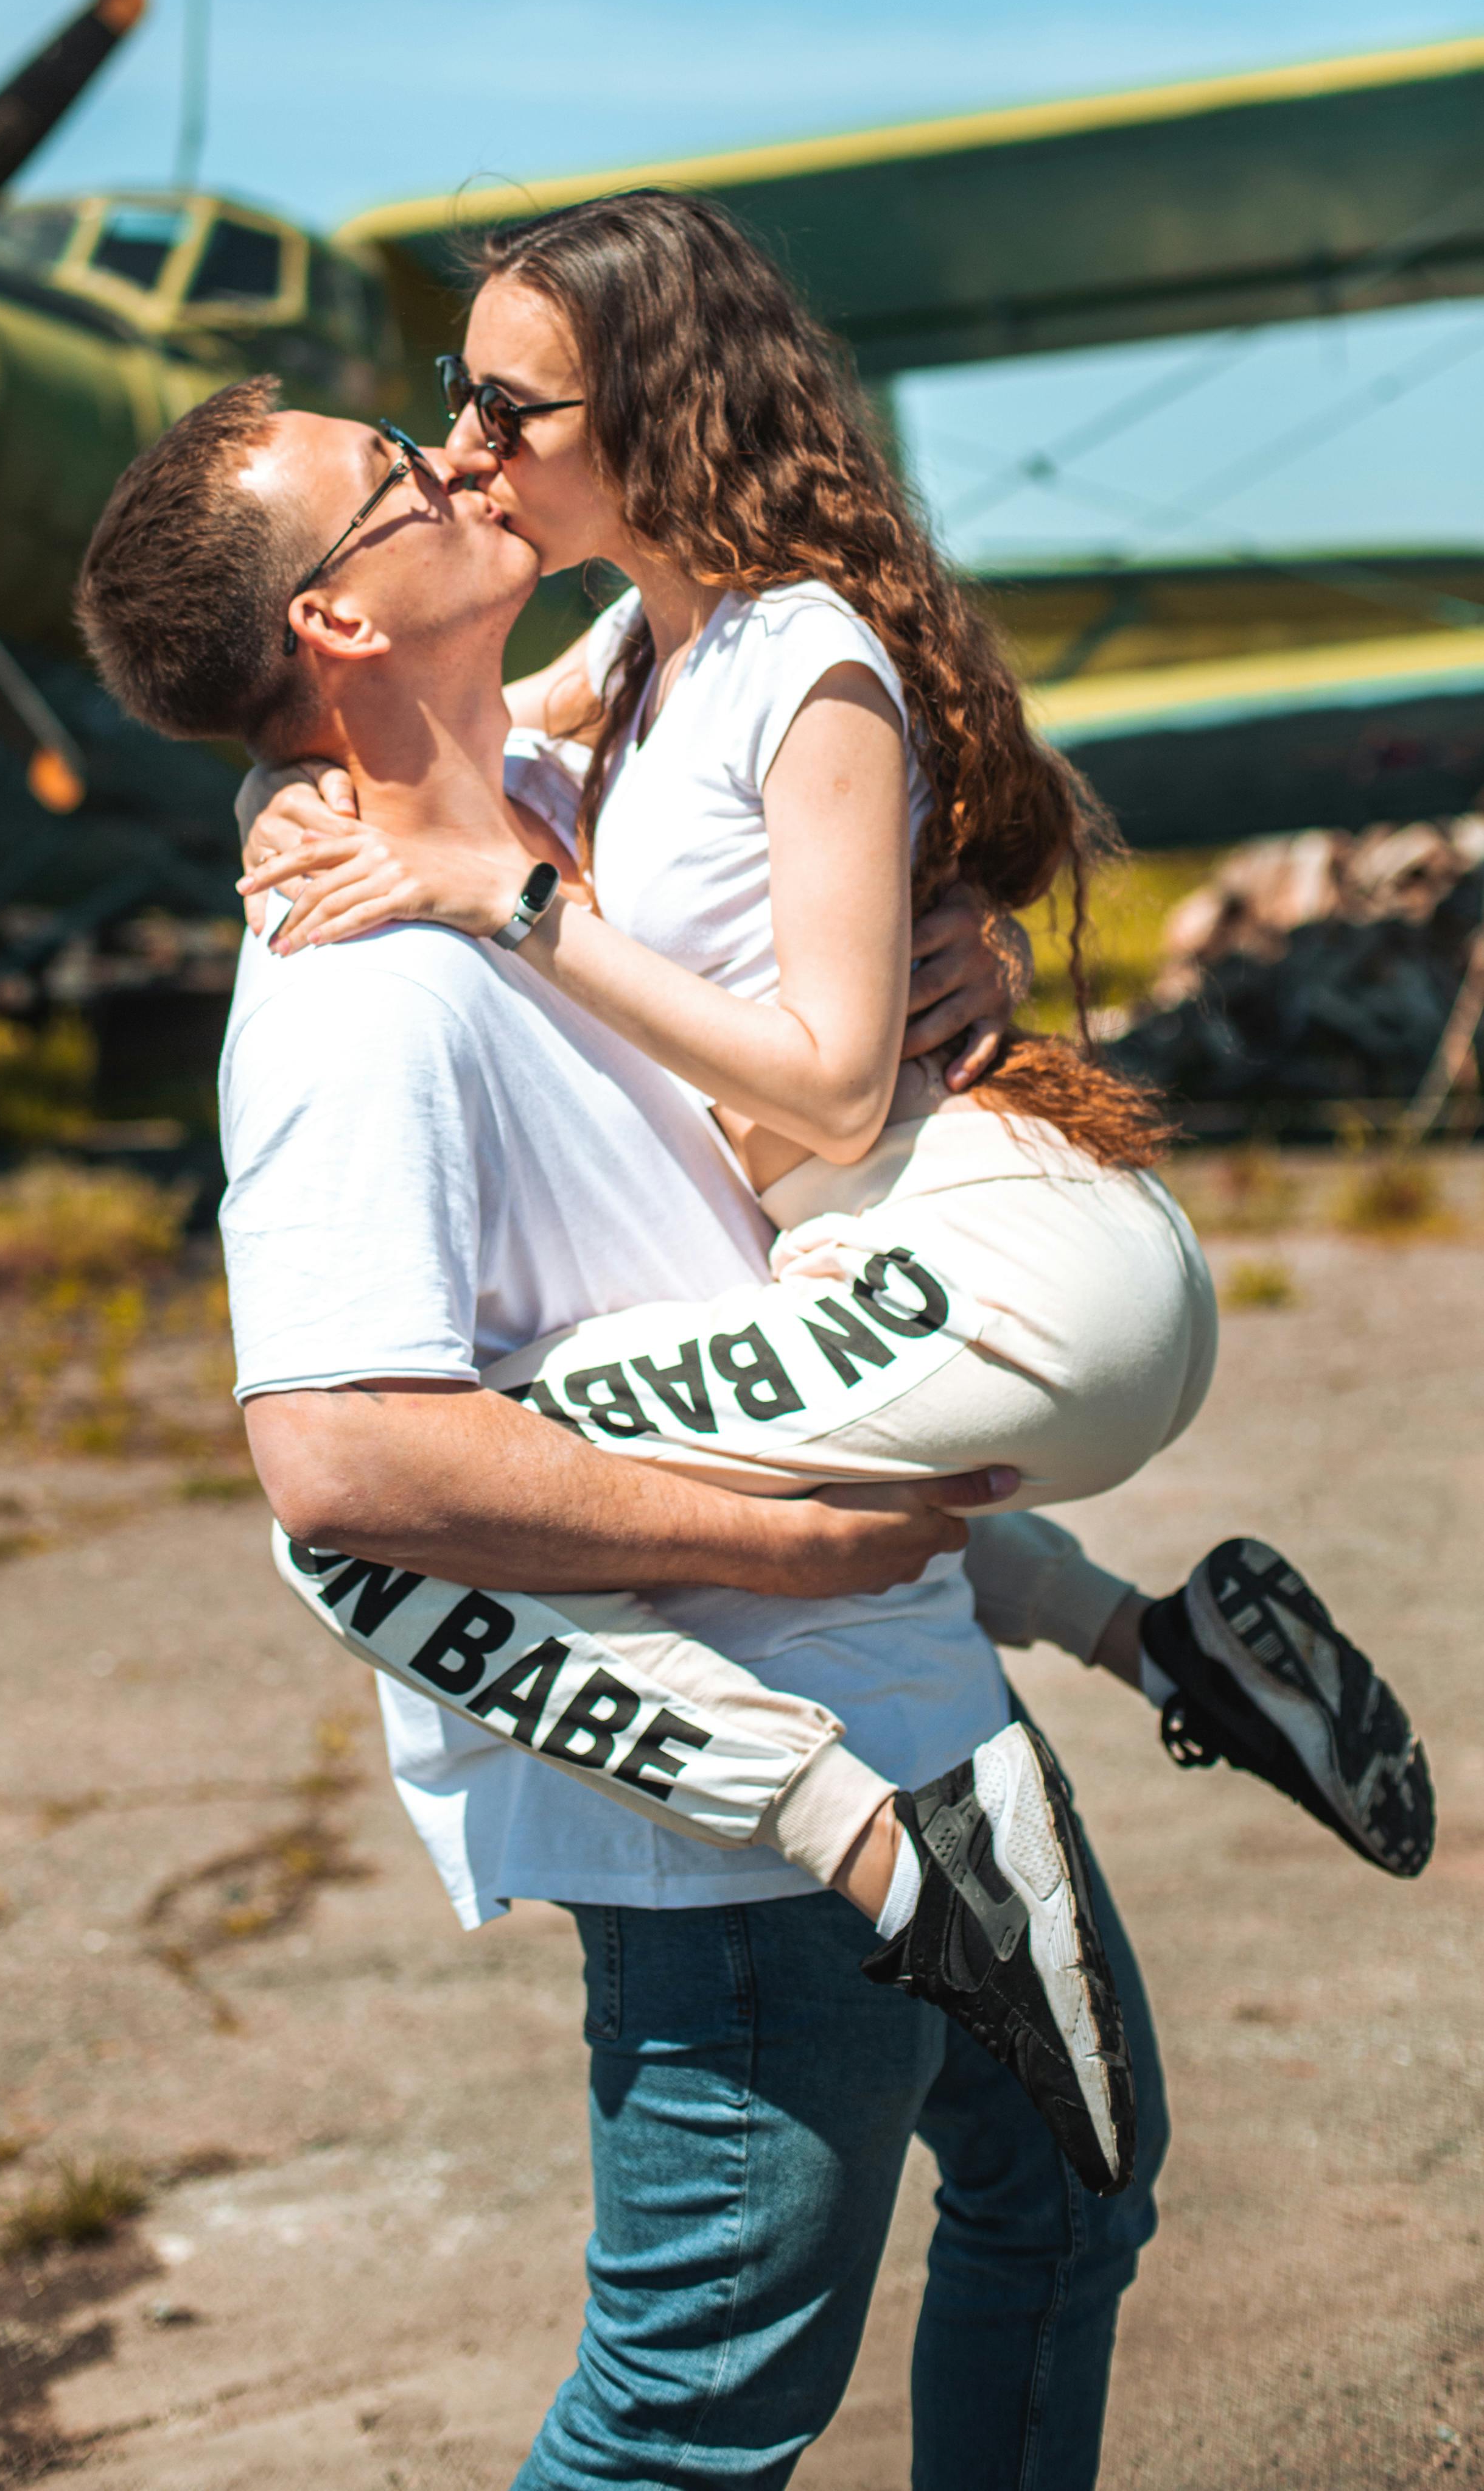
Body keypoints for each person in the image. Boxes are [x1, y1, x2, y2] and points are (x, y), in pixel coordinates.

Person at [77, 376, 1172, 2487]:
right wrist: (788, 1548)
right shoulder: (350, 991)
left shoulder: (566, 814)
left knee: (1068, 2205)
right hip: (747, 1816)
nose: (452, 456)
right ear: (337, 622)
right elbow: (339, 1462)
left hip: (911, 1689)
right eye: (399, 470)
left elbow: (799, 1016)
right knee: (694, 2415)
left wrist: (955, 955)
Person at [237, 192, 1432, 1952]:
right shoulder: (642, 656)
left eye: (508, 409)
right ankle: (1160, 1644)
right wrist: (279, 791)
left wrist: (510, 902)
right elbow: (407, 724)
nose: (464, 449)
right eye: (454, 396)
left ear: (652, 416)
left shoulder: (797, 649)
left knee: (399, 1485)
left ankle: (881, 1845)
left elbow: (834, 1089)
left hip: (999, 1271)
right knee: (619, 1458)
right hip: (929, 1269)